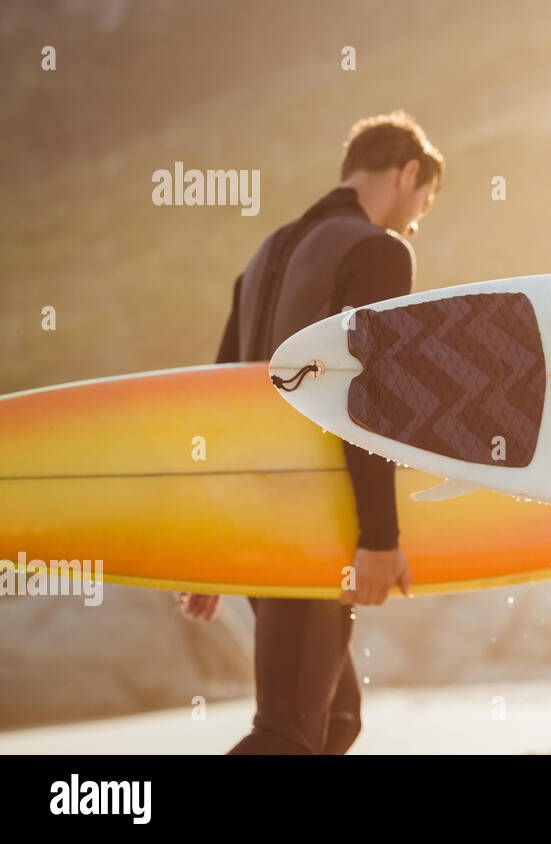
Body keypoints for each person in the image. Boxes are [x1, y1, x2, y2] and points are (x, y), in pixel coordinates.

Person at [179, 111, 444, 754]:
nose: (416, 221)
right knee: (287, 734)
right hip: (309, 520)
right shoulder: (378, 251)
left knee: (336, 723)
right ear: (407, 173)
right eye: (425, 203)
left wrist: (210, 546)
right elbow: (368, 395)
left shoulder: (265, 255)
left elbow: (221, 398)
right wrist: (380, 537)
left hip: (253, 522)